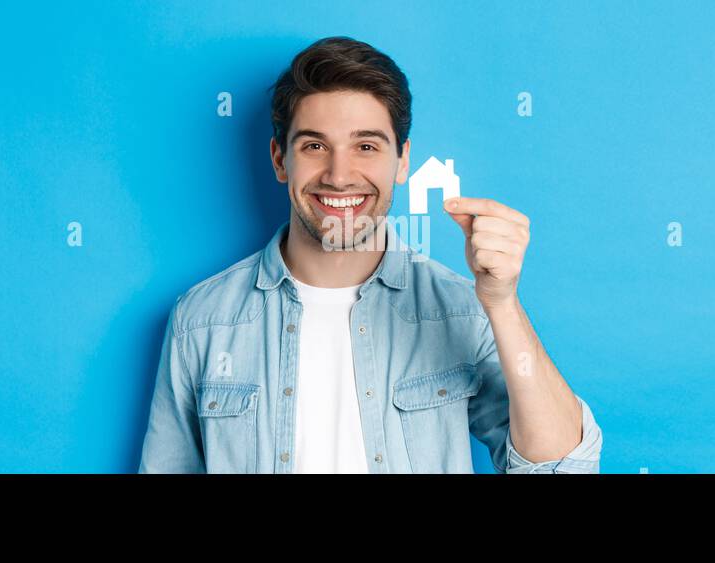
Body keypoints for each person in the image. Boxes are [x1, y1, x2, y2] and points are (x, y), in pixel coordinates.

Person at [139, 36, 602, 473]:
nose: (340, 176)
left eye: (365, 146)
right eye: (316, 146)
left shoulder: (462, 309)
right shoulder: (201, 321)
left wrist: (502, 303)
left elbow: (562, 466)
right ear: (280, 160)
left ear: (402, 161)